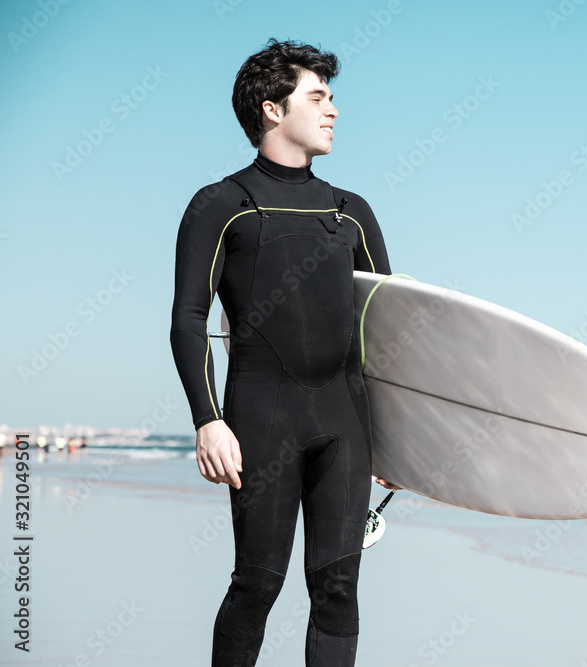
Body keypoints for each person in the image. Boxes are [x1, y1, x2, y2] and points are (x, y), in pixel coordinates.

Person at [170, 38, 393, 666]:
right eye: (317, 97)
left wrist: (402, 438)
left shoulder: (351, 213)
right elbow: (188, 318)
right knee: (257, 584)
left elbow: (388, 334)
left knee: (338, 590)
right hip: (262, 418)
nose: (333, 110)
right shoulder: (222, 204)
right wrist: (207, 420)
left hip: (345, 423)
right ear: (273, 109)